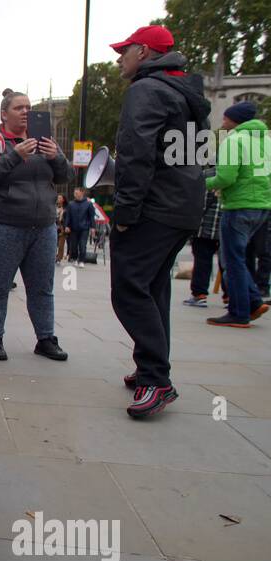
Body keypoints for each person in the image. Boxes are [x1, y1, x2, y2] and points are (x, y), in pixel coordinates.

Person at [109, 25, 211, 418]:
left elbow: (136, 154)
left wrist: (126, 212)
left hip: (152, 208)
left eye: (126, 50)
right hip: (183, 207)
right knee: (154, 289)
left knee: (129, 289)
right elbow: (195, 156)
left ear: (146, 53)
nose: (121, 58)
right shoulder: (191, 94)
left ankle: (157, 379)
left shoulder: (146, 90)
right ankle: (149, 368)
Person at [0, 89, 73, 362]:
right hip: (1, 225)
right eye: (19, 107)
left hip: (42, 227)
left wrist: (56, 157)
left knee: (43, 286)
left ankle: (46, 338)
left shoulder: (46, 144)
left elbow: (67, 176)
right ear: (4, 114)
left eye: (29, 107)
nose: (26, 111)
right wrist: (14, 156)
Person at [204, 101, 271, 327]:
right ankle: (252, 301)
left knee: (232, 260)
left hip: (238, 205)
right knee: (241, 258)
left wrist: (204, 183)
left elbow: (226, 177)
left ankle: (240, 311)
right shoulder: (266, 140)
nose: (223, 122)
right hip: (262, 206)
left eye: (226, 118)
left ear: (236, 120)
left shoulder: (234, 141)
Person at [184, 188, 222, 308]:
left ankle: (199, 294)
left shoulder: (208, 177)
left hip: (204, 228)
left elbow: (199, 204)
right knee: (226, 263)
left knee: (202, 262)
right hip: (224, 228)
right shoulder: (238, 179)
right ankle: (229, 296)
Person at [64, 187, 96, 268]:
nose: (75, 195)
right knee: (73, 245)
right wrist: (66, 226)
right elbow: (68, 216)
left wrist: (93, 227)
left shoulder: (88, 204)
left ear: (82, 193)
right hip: (73, 228)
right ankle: (75, 259)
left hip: (84, 228)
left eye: (77, 193)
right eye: (74, 193)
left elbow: (92, 216)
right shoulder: (71, 204)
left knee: (82, 245)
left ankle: (82, 260)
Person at [55, 194, 68, 265]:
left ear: (63, 199)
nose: (58, 199)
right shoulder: (54, 207)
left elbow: (68, 218)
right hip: (54, 228)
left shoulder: (66, 208)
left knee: (61, 245)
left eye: (60, 198)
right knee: (54, 244)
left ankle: (59, 258)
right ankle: (54, 257)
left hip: (62, 228)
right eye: (58, 198)